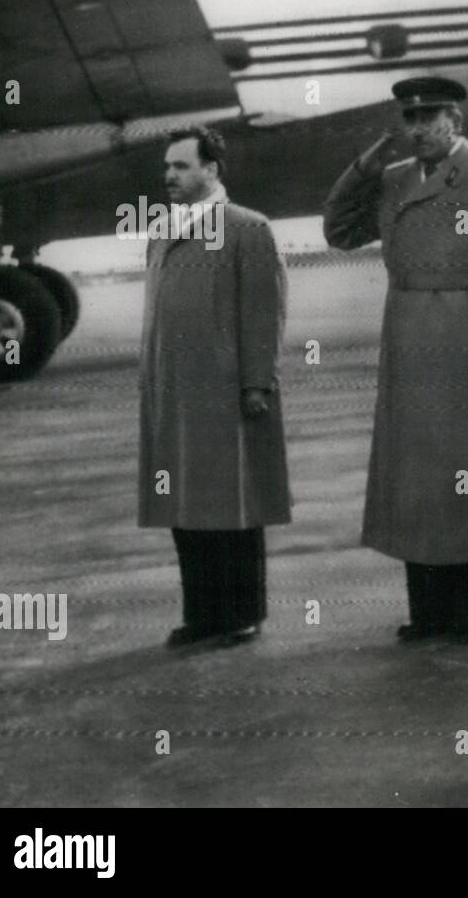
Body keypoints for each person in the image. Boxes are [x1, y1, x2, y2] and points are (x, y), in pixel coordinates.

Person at [322, 76, 468, 644]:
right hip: (408, 339)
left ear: (456, 122)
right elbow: (341, 232)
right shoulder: (393, 180)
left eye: (429, 117)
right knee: (419, 482)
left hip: (467, 337)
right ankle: (431, 612)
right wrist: (362, 168)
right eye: (409, 119)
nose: (417, 129)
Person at [139, 126, 290, 649]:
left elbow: (265, 314)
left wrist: (256, 384)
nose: (169, 176)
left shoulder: (248, 228)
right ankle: (203, 613)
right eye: (167, 167)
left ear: (212, 170)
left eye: (181, 166)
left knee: (234, 505)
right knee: (186, 506)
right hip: (175, 395)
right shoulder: (161, 229)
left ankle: (242, 614)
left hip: (227, 392)